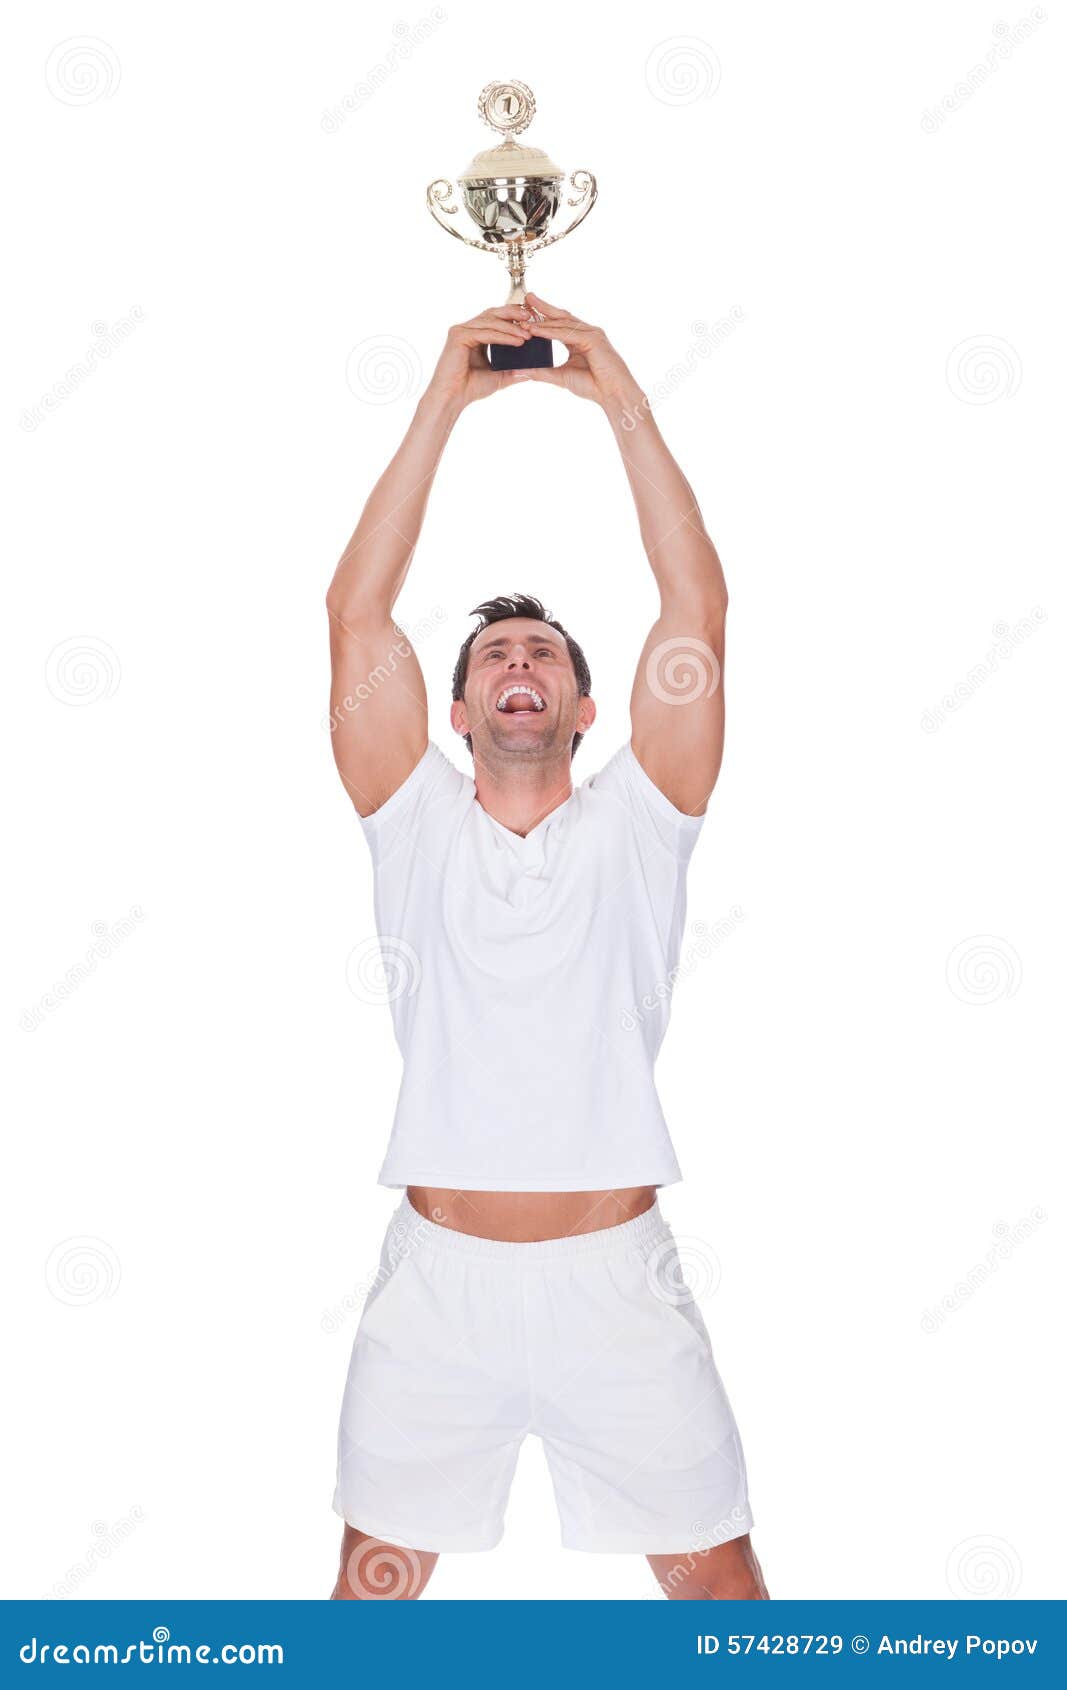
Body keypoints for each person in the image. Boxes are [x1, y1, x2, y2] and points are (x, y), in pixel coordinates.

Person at [325, 293, 767, 1601]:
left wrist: (616, 386)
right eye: (495, 653)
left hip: (612, 1285)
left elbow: (697, 604)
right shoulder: (413, 822)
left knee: (720, 1594)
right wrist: (443, 403)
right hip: (440, 1288)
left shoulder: (645, 822)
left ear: (583, 702)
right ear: (458, 709)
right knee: (371, 1597)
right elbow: (358, 616)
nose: (519, 662)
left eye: (544, 653)